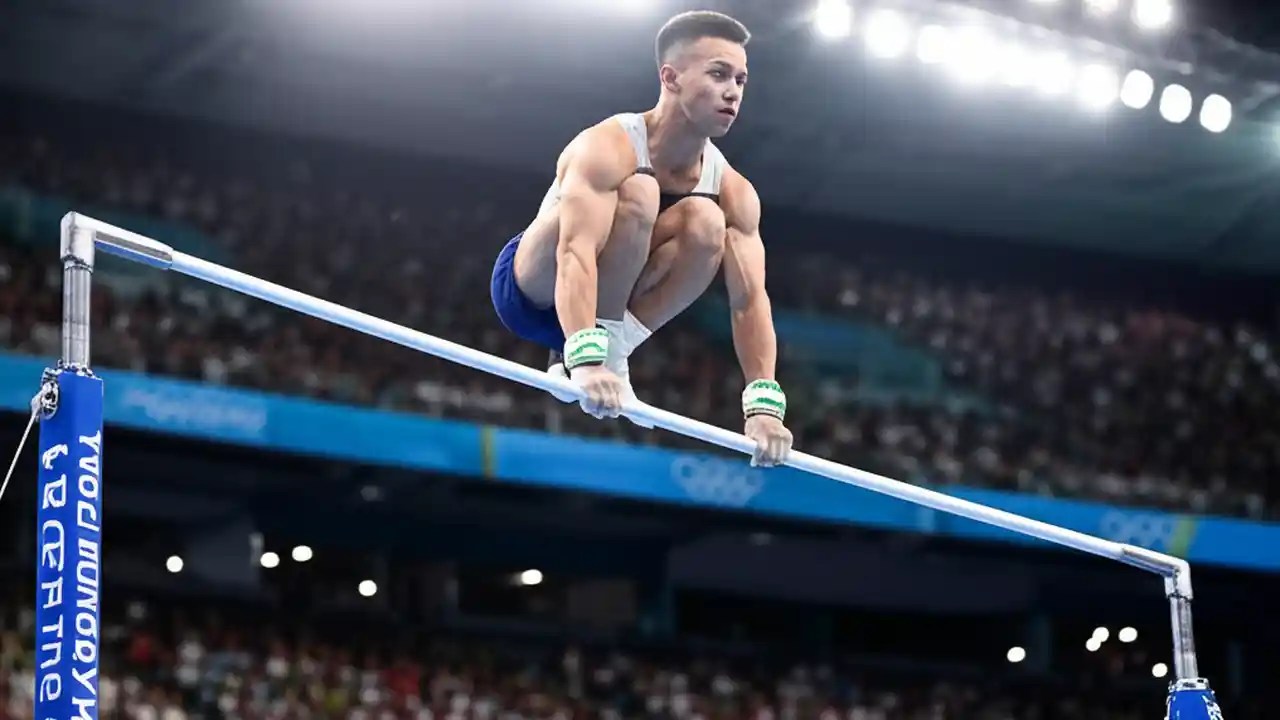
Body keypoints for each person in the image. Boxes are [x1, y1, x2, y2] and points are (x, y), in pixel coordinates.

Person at [490, 10, 793, 467]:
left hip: (611, 303)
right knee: (640, 189)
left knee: (707, 223)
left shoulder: (734, 192)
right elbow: (575, 251)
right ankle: (589, 348)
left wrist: (764, 409)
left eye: (741, 79)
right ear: (670, 78)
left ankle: (614, 345)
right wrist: (586, 359)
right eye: (718, 73)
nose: (733, 90)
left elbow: (749, 302)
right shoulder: (606, 146)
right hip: (535, 290)